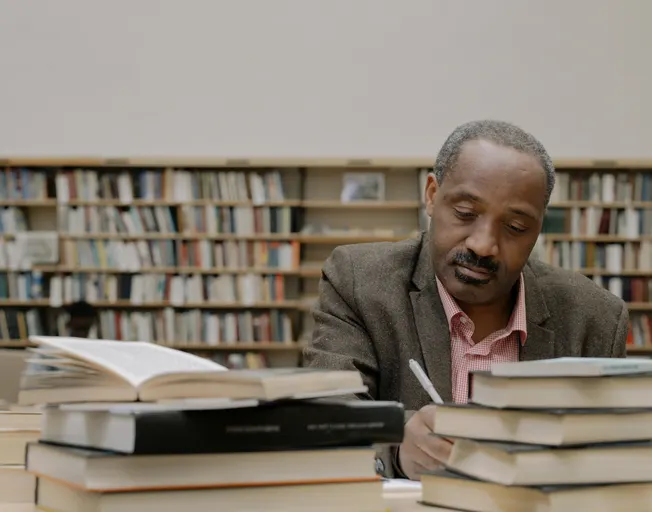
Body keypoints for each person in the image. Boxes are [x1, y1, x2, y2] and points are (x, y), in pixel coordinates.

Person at [302, 119, 629, 480]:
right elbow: (328, 413)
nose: (483, 245)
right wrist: (396, 447)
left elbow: (614, 454)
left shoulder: (595, 317)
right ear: (431, 195)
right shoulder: (359, 281)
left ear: (537, 229)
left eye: (516, 228)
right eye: (465, 214)